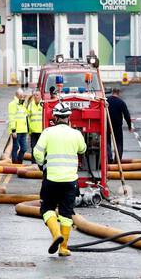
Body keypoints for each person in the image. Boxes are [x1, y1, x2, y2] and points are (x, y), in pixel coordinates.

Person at [33, 104, 87, 257]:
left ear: (55, 118)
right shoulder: (76, 134)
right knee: (66, 213)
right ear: (68, 118)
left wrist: (42, 164)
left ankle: (56, 234)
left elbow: (37, 153)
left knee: (47, 208)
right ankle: (63, 248)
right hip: (70, 181)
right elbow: (83, 149)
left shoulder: (48, 132)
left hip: (51, 178)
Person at [105, 87, 133, 163]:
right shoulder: (121, 102)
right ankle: (117, 160)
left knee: (107, 141)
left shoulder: (106, 101)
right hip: (117, 125)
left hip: (107, 123)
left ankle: (108, 158)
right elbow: (126, 115)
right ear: (119, 93)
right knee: (119, 142)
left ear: (112, 92)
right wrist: (129, 126)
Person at [7, 89, 29, 164]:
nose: (23, 96)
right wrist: (13, 130)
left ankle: (19, 162)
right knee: (15, 147)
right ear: (17, 95)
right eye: (21, 95)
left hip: (23, 130)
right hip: (16, 130)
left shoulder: (22, 103)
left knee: (24, 148)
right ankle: (15, 163)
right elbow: (11, 118)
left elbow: (26, 115)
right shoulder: (12, 104)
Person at [25, 92, 44, 161]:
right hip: (33, 131)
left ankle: (41, 163)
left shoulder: (43, 104)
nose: (36, 97)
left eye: (37, 95)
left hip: (42, 131)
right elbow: (28, 118)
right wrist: (29, 131)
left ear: (41, 95)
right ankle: (33, 163)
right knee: (33, 148)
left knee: (41, 148)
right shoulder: (31, 105)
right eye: (34, 95)